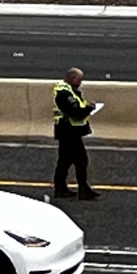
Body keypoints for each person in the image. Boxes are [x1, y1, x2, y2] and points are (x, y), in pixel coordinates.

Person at [52, 67, 99, 201]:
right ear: (72, 78)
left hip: (68, 131)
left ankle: (61, 188)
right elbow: (75, 113)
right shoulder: (64, 94)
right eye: (79, 80)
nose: (80, 83)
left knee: (65, 161)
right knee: (81, 161)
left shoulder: (69, 91)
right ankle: (82, 189)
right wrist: (88, 109)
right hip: (69, 132)